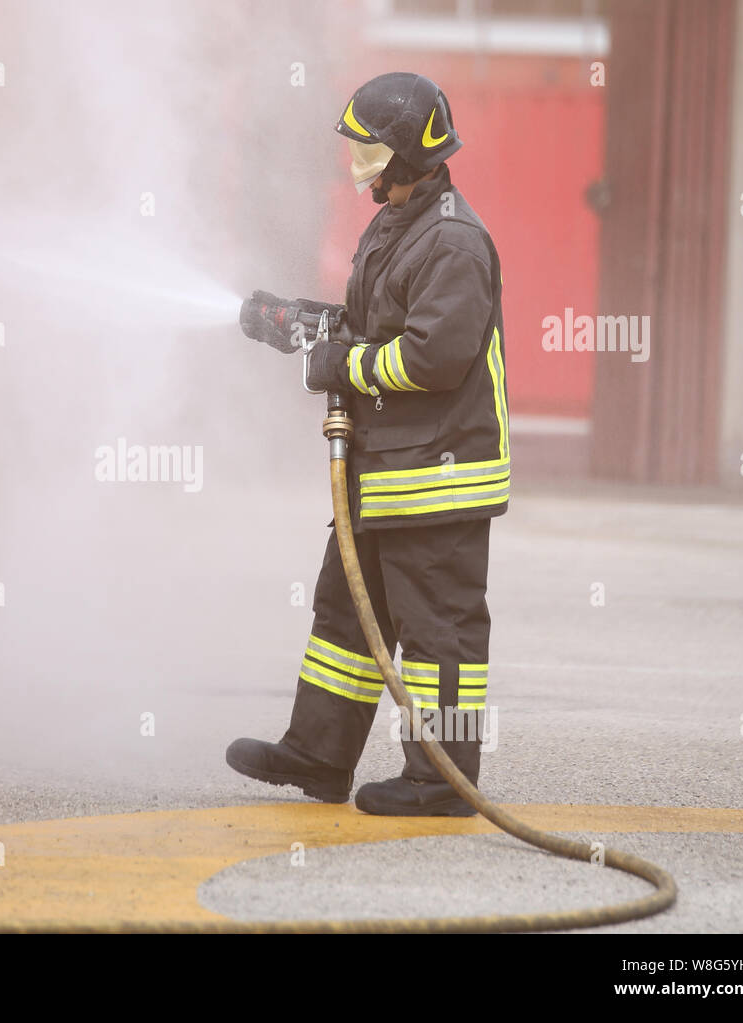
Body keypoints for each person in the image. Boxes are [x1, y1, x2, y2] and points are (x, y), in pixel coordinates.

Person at [228, 72, 509, 816]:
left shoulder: (452, 241)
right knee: (346, 617)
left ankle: (441, 781)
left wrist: (341, 362)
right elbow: (370, 326)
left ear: (406, 152)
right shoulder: (399, 221)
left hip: (437, 481)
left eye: (369, 151)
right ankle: (319, 755)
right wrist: (298, 324)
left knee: (438, 636)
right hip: (386, 473)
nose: (360, 166)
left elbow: (429, 357)